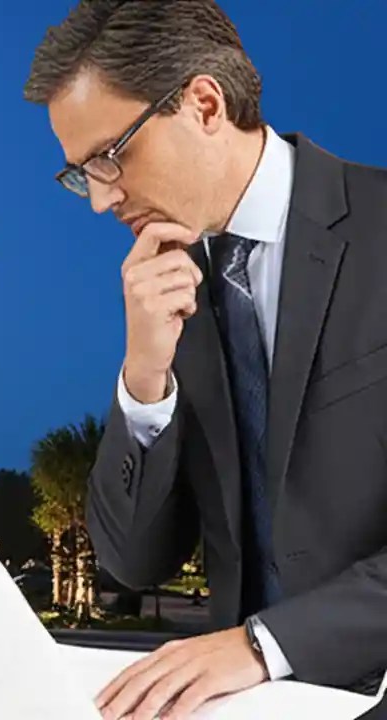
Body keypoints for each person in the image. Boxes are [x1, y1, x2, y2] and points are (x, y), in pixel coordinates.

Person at [22, 2, 387, 718]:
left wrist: (263, 646)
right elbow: (133, 563)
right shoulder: (170, 293)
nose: (100, 200)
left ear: (205, 103)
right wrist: (144, 379)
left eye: (108, 156)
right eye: (79, 174)